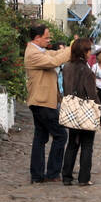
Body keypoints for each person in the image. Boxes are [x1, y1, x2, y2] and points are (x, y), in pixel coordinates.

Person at [24, 24, 71, 183]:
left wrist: (67, 50)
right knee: (60, 135)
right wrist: (72, 49)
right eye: (46, 37)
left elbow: (55, 53)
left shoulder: (40, 51)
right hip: (42, 101)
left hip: (42, 101)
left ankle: (37, 175)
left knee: (41, 137)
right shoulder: (33, 54)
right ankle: (52, 172)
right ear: (37, 38)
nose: (49, 39)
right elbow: (54, 61)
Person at [60, 37, 99, 186]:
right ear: (84, 52)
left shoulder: (67, 67)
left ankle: (67, 176)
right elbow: (92, 94)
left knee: (72, 143)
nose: (90, 53)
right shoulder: (86, 71)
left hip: (71, 109)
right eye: (89, 50)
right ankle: (83, 178)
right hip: (85, 110)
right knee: (87, 145)